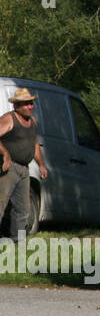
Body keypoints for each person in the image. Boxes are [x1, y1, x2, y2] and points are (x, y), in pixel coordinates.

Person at [0, 88, 48, 239]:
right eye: (26, 104)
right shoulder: (9, 119)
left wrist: (41, 165)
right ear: (16, 106)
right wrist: (5, 153)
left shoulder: (32, 122)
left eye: (31, 103)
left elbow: (35, 145)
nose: (30, 106)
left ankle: (18, 243)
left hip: (24, 170)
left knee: (23, 209)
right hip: (8, 168)